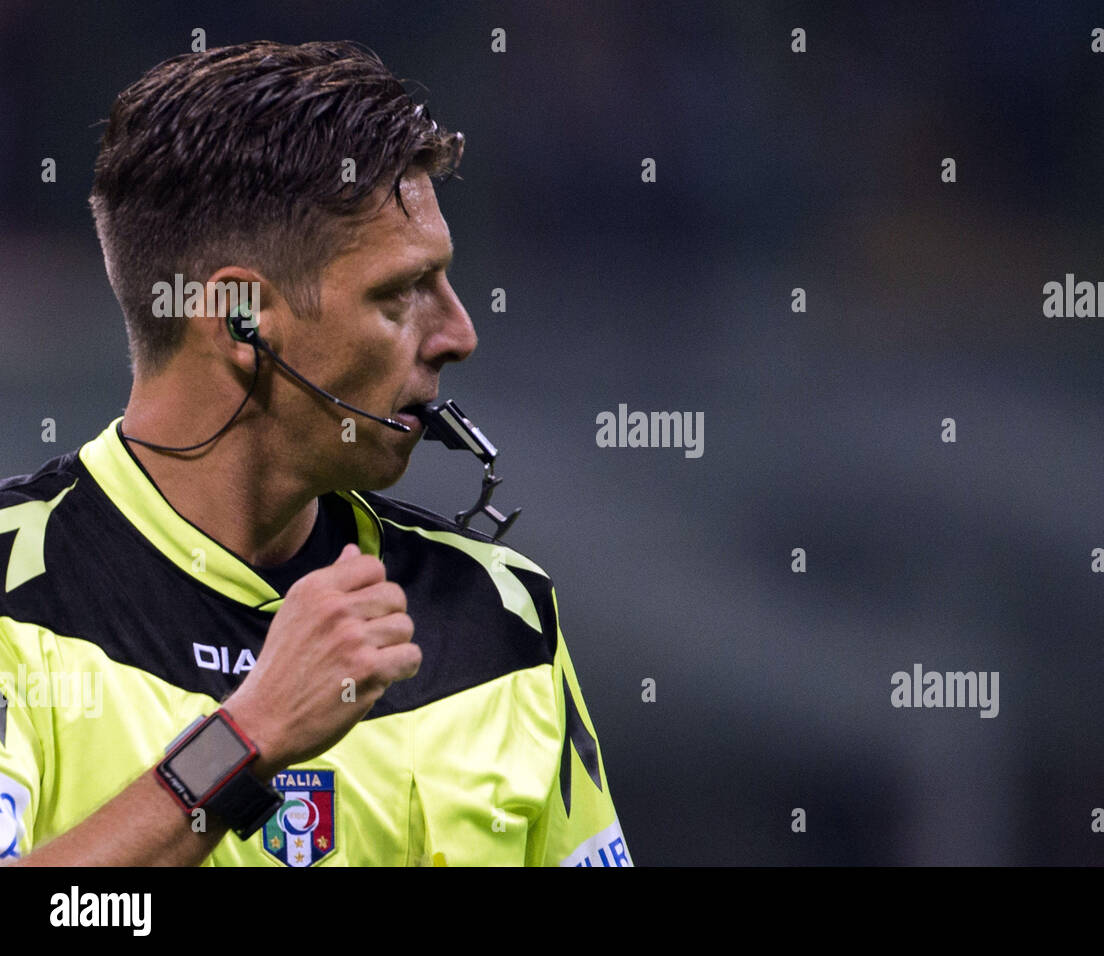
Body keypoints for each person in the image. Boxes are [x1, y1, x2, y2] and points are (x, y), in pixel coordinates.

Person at [0, 40, 631, 867]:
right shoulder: (15, 595)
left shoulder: (499, 621)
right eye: (401, 292)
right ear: (241, 319)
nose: (459, 335)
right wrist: (243, 740)